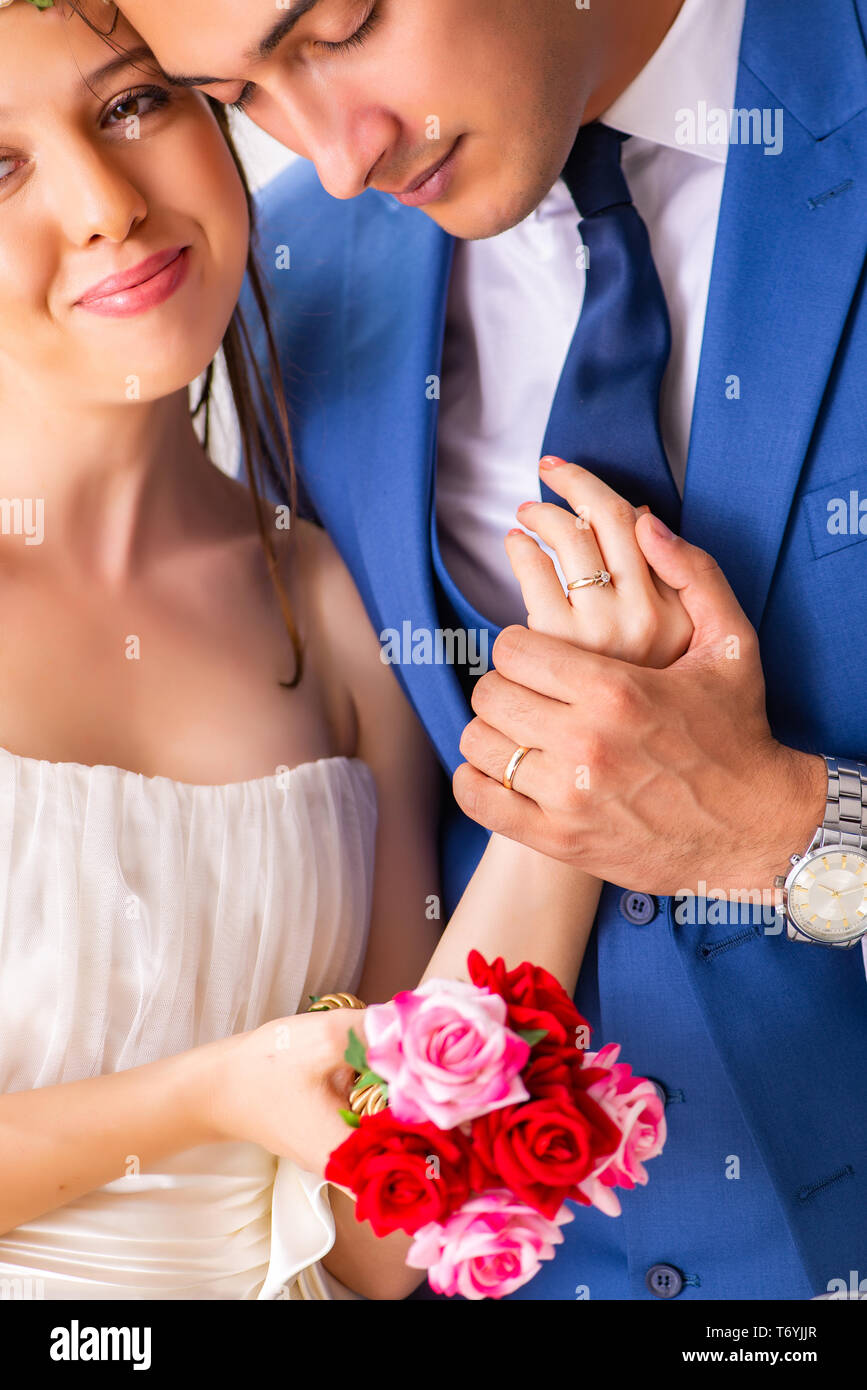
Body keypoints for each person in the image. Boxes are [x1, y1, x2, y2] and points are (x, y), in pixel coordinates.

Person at [113, 0, 867, 1300]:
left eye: (340, 26)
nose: (336, 155)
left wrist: (782, 828)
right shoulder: (287, 289)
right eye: (238, 93)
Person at [0, 0, 693, 1301]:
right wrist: (208, 1094)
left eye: (133, 104)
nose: (104, 203)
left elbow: (379, 1243)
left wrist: (576, 750)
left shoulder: (329, 602)